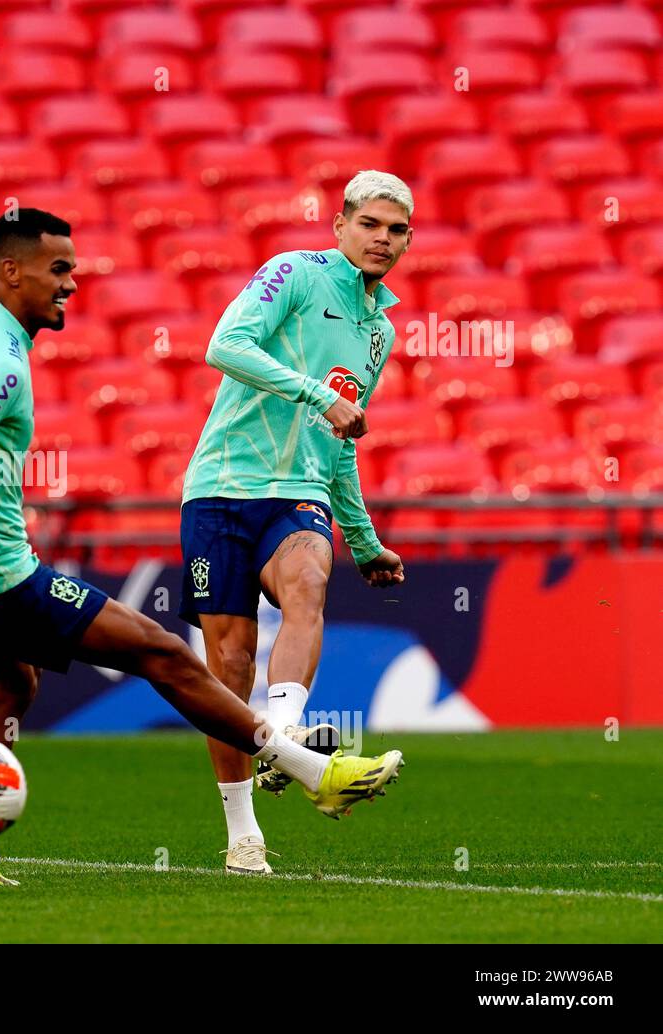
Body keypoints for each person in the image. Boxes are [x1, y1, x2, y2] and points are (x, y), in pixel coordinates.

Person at [0, 208, 404, 888]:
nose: (71, 285)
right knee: (166, 653)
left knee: (13, 681)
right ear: (10, 271)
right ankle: (314, 772)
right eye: (58, 271)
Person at [180, 170, 413, 875]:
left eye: (396, 229)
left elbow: (340, 441)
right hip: (220, 485)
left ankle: (280, 738)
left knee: (309, 580)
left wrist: (366, 542)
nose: (381, 239)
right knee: (227, 665)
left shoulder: (380, 332)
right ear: (339, 225)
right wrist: (317, 393)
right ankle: (243, 831)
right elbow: (224, 345)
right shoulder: (293, 274)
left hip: (298, 491)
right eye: (369, 223)